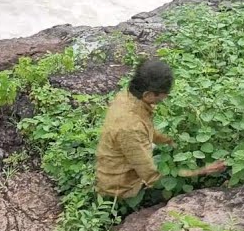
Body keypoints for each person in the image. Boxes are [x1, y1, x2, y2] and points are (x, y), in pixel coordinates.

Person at [95, 58, 225, 204]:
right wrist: (202, 171)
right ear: (148, 95)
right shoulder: (131, 128)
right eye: (161, 97)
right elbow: (153, 177)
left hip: (122, 164)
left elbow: (147, 129)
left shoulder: (127, 96)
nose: (163, 99)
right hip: (123, 189)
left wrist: (169, 140)